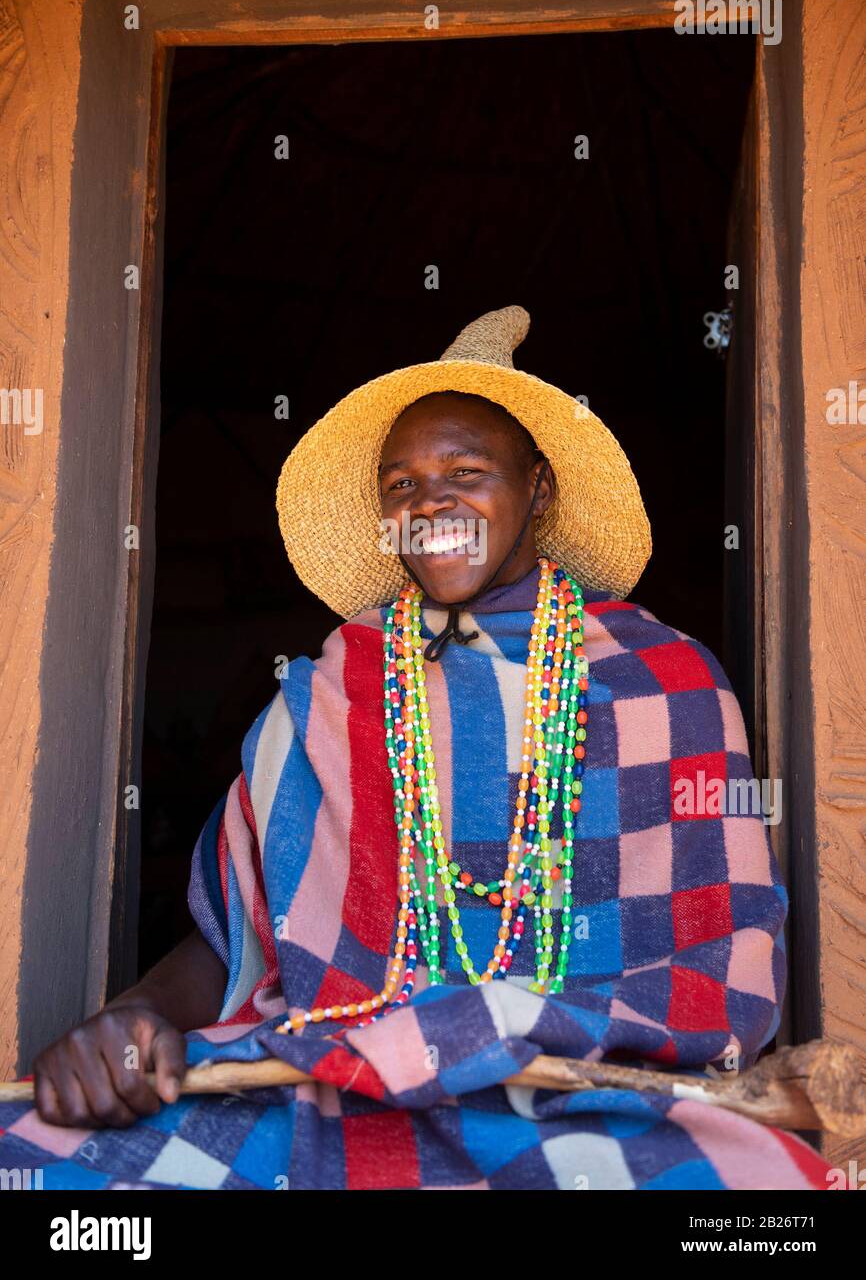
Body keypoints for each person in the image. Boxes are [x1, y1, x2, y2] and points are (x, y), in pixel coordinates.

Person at [0, 306, 833, 1189]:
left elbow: (729, 944)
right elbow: (234, 937)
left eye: (466, 471)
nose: (430, 503)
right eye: (401, 485)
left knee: (765, 1194)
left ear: (539, 488)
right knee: (28, 1151)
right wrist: (129, 1019)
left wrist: (509, 1026)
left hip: (588, 1097)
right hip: (332, 1084)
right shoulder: (333, 685)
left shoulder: (668, 682)